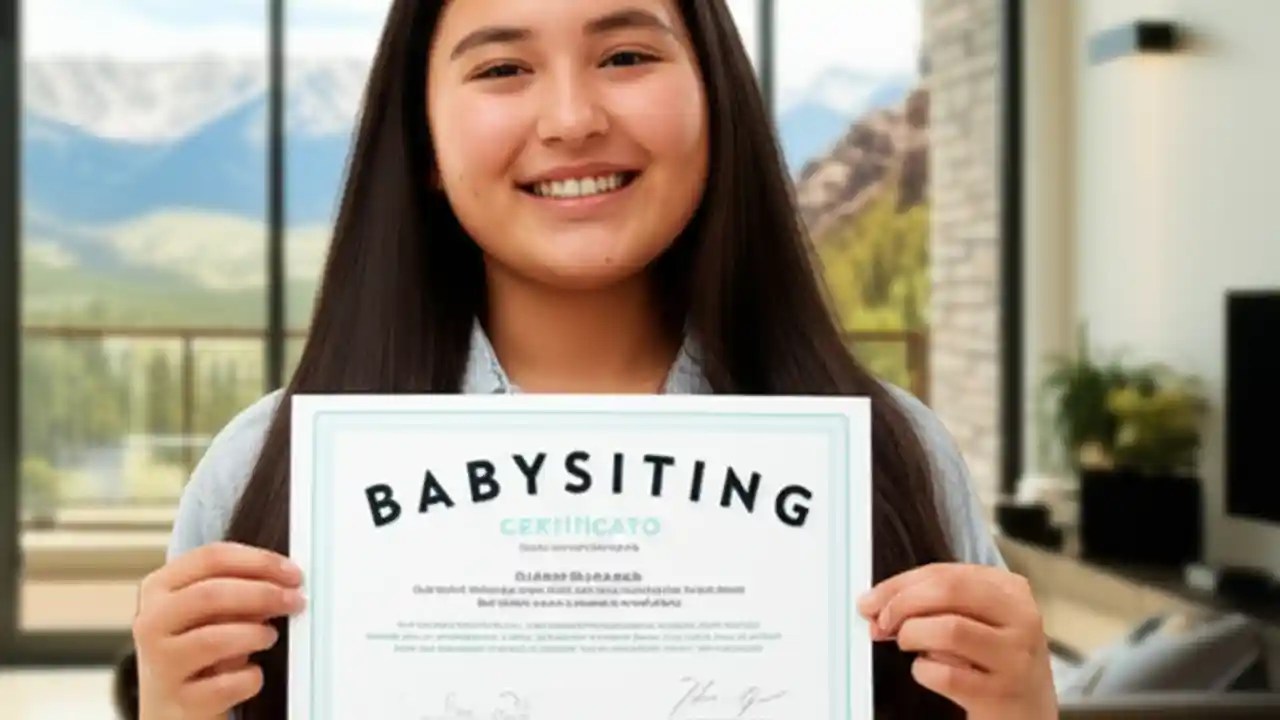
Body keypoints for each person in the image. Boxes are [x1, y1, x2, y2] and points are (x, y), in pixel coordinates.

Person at [115, 1, 1057, 718]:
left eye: (627, 56)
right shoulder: (263, 468)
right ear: (427, 143)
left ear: (716, 102)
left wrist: (1017, 710)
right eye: (502, 68)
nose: (571, 118)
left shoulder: (892, 453)